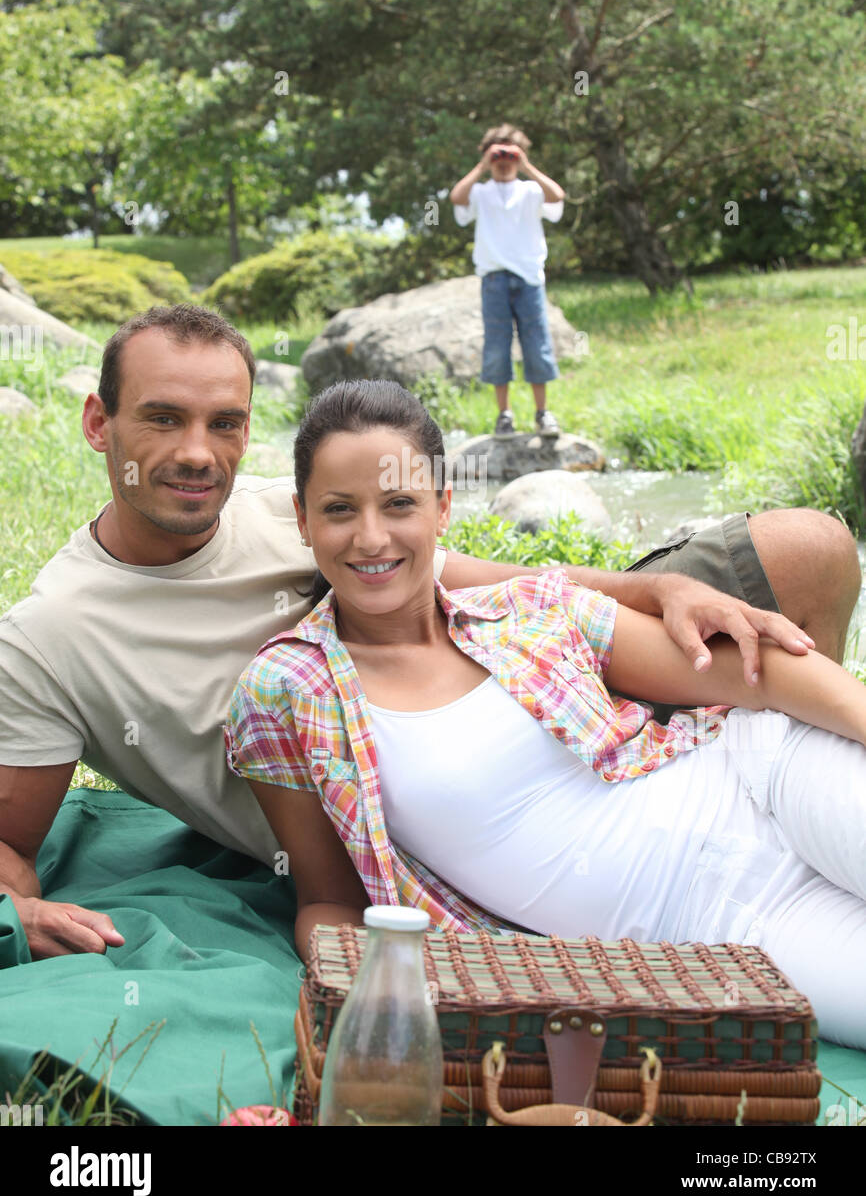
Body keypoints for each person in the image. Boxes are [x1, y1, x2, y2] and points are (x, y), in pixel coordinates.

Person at [0, 305, 857, 962]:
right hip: (417, 807)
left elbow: (481, 583)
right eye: (162, 418)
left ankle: (778, 773)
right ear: (96, 424)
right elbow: (9, 842)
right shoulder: (51, 636)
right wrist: (18, 911)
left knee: (808, 553)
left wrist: (657, 587)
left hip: (520, 692)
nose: (199, 452)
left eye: (225, 422)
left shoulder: (286, 510)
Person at [226, 380, 866, 1049]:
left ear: (442, 509)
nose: (371, 536)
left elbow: (755, 678)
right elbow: (329, 901)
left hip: (771, 784)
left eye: (399, 504)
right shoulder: (285, 690)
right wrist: (376, 990)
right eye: (338, 510)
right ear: (302, 518)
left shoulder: (526, 608)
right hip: (723, 930)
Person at [450, 122, 565, 438]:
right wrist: (482, 165)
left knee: (537, 344)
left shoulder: (530, 190)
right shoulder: (480, 192)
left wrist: (526, 165)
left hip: (529, 278)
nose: (504, 160)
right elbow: (455, 197)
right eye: (498, 153)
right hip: (494, 279)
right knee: (497, 347)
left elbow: (557, 195)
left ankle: (542, 413)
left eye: (509, 153)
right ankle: (505, 415)